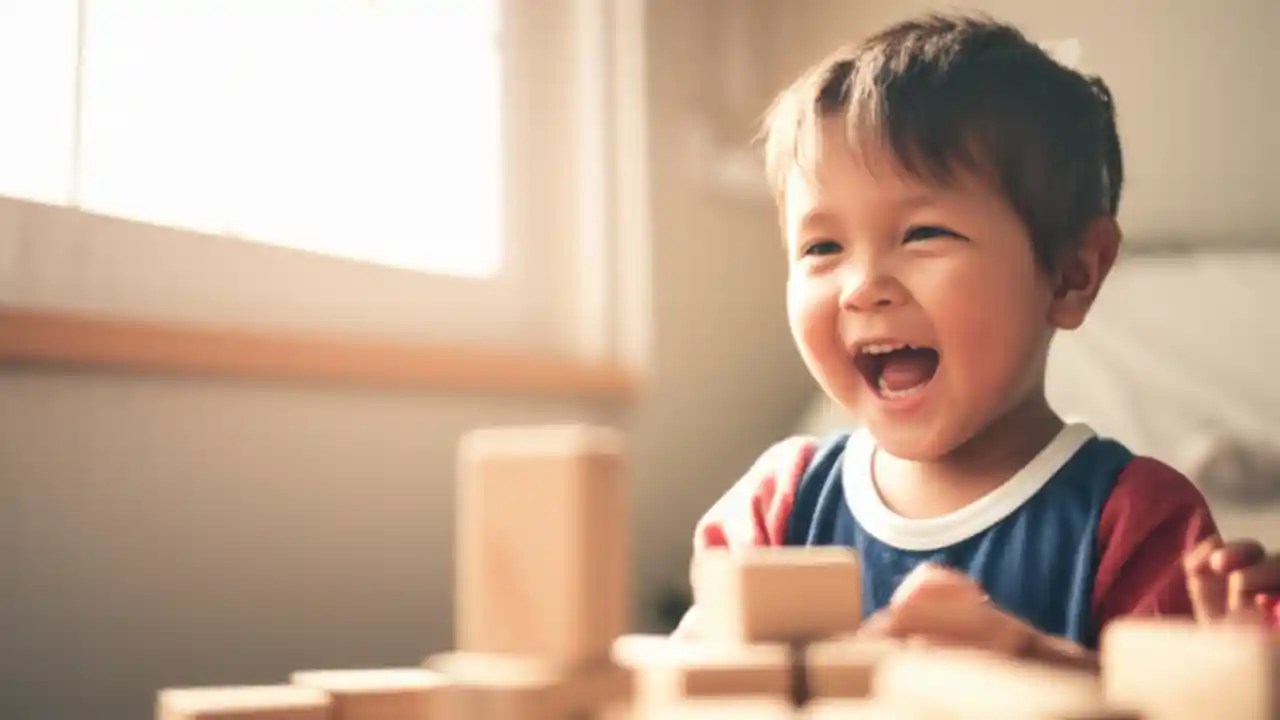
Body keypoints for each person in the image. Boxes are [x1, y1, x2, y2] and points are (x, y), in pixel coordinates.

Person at [674, 12, 1279, 666]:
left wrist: (1039, 661)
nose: (862, 286)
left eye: (924, 234)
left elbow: (1174, 701)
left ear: (1073, 274)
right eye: (822, 246)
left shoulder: (1134, 523)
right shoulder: (778, 508)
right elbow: (687, 688)